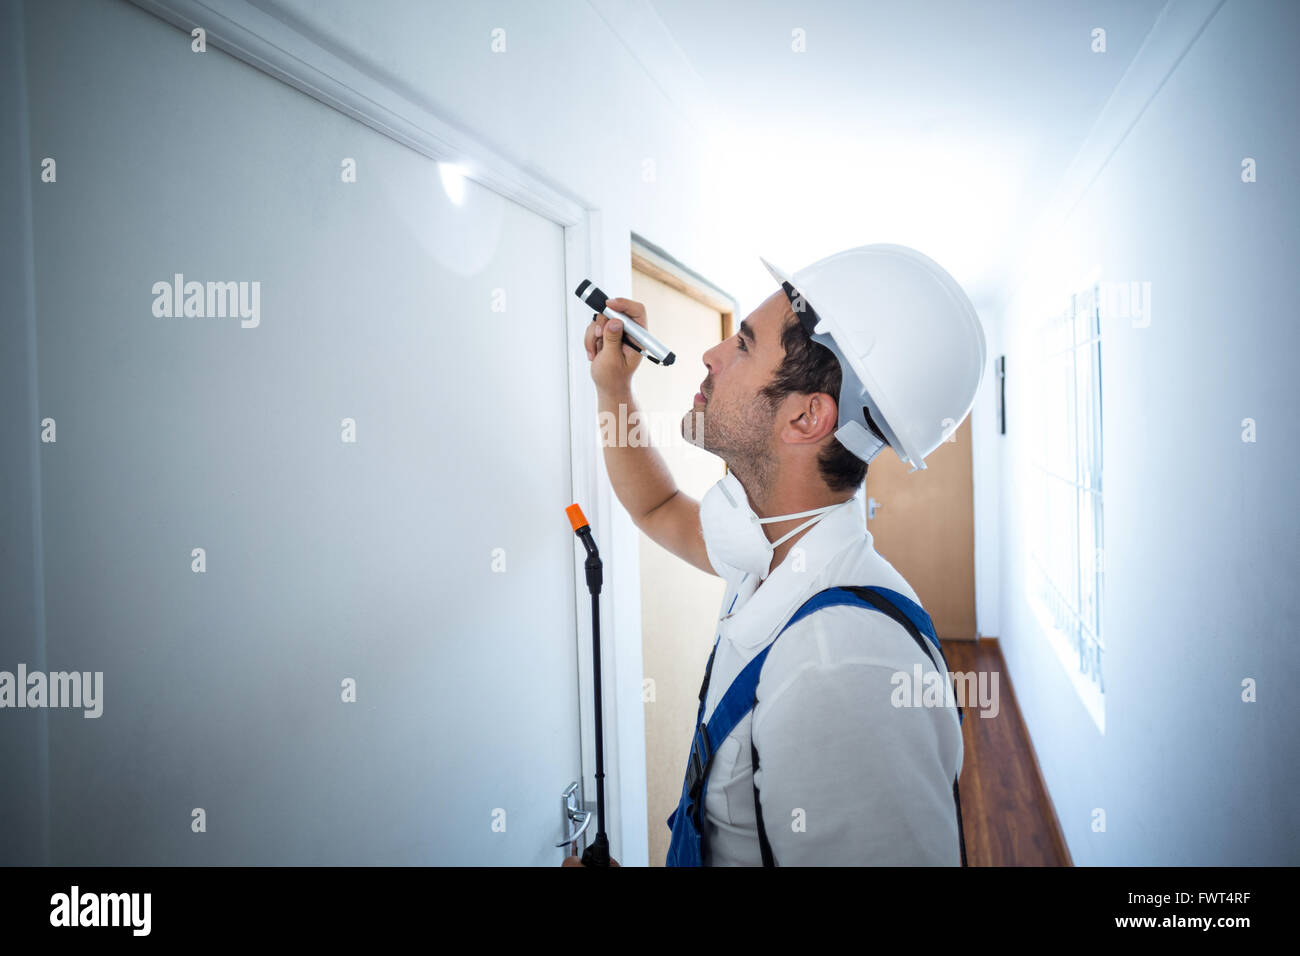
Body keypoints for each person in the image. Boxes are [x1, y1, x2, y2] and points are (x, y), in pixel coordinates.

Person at [563, 245, 985, 866]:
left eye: (743, 345)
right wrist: (613, 387)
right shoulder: (770, 551)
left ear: (807, 415)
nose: (710, 353)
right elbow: (655, 507)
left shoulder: (842, 667)